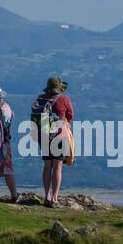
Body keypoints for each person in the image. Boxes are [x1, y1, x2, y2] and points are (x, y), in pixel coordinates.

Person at [31, 76, 74, 206]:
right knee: (57, 166)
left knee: (47, 165)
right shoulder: (63, 99)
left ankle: (46, 196)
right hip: (59, 134)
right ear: (59, 88)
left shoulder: (40, 98)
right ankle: (54, 198)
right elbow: (70, 115)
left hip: (43, 133)